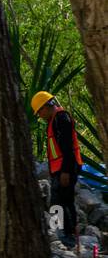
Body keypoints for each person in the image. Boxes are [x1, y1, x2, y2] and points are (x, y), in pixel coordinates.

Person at [32, 91, 82, 248]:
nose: (39, 115)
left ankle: (67, 235)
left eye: (39, 111)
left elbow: (67, 148)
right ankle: (58, 233)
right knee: (57, 201)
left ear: (46, 107)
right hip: (59, 169)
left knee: (65, 202)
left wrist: (66, 172)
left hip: (65, 169)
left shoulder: (61, 119)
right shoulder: (55, 120)